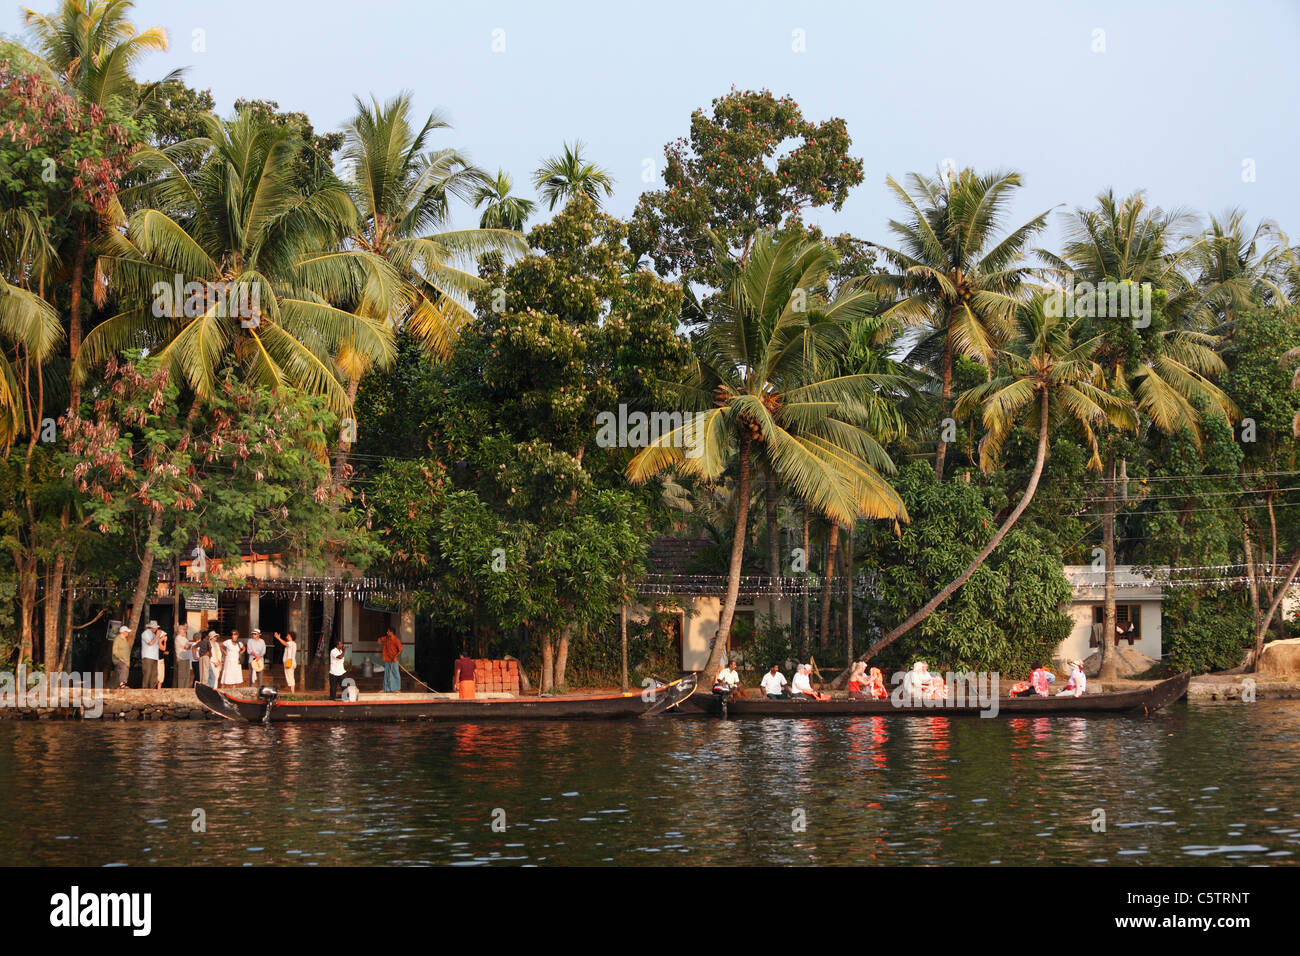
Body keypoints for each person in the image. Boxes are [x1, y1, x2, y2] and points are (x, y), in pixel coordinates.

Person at [378, 628, 403, 693]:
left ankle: (397, 689)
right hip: (387, 659)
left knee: (395, 674)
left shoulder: (396, 640)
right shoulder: (387, 638)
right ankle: (386, 689)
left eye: (388, 631)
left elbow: (400, 650)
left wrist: (396, 656)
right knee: (387, 674)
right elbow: (380, 639)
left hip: (394, 660)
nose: (387, 632)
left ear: (391, 632)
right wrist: (379, 640)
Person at [140, 622, 162, 689]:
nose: (156, 629)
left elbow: (157, 644)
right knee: (147, 674)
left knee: (154, 675)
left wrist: (161, 638)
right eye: (155, 627)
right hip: (148, 656)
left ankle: (152, 689)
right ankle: (145, 689)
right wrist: (157, 636)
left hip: (155, 657)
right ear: (152, 627)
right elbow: (150, 643)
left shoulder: (153, 634)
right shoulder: (145, 633)